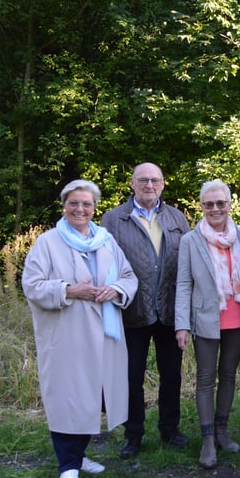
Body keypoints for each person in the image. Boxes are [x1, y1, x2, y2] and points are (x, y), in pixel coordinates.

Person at [22, 179, 138, 478]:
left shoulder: (105, 240)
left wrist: (114, 289)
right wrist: (69, 290)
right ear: (64, 205)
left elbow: (128, 277)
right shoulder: (48, 243)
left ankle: (80, 453)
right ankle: (67, 464)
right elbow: (31, 285)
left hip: (104, 333)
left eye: (86, 204)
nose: (80, 209)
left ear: (94, 208)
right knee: (67, 396)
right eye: (74, 203)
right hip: (67, 335)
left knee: (93, 396)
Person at [101, 163, 190, 458]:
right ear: (132, 183)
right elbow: (105, 265)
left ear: (163, 184)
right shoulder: (113, 220)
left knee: (171, 375)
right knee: (131, 377)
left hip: (168, 309)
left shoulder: (177, 217)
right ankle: (133, 435)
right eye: (143, 180)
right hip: (132, 312)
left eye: (154, 180)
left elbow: (187, 265)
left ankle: (169, 429)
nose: (149, 185)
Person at [175, 181, 240, 469]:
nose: (216, 209)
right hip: (206, 318)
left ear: (230, 204)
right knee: (206, 378)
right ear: (202, 207)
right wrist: (181, 324)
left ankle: (222, 430)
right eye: (209, 204)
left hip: (238, 315)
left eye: (221, 203)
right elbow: (183, 284)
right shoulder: (191, 241)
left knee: (229, 375)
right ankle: (207, 439)